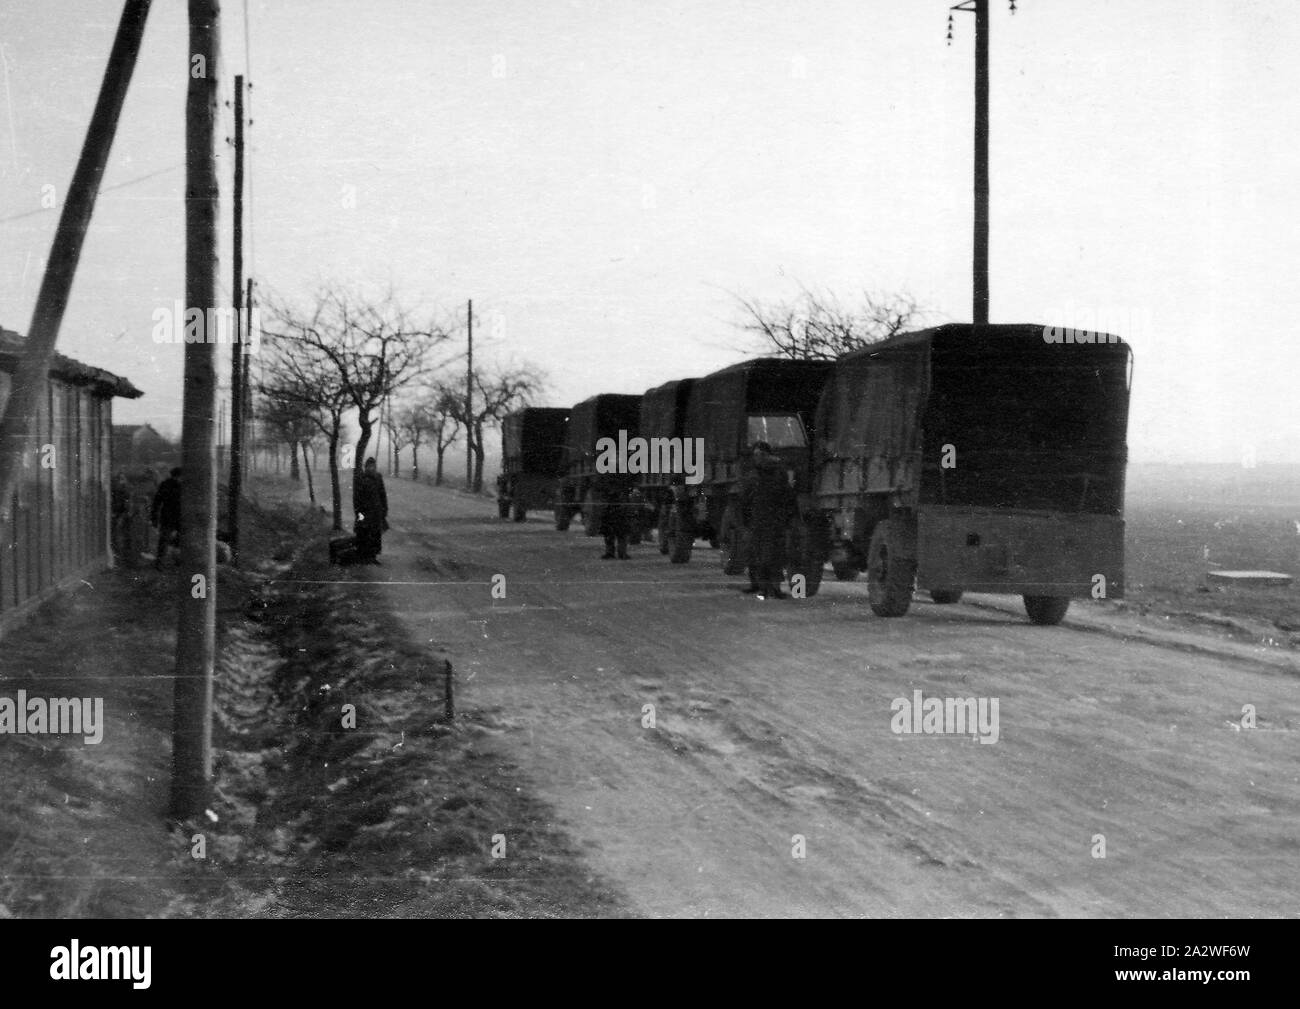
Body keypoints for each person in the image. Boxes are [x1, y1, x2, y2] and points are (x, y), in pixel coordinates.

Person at [739, 441, 795, 599]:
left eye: (761, 455)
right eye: (756, 455)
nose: (758, 458)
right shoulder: (753, 475)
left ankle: (771, 588)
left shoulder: (777, 473)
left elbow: (787, 496)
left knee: (772, 556)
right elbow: (744, 501)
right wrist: (746, 523)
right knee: (759, 556)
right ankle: (763, 587)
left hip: (773, 521)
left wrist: (787, 518)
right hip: (760, 521)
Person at [353, 457, 389, 565]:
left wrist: (384, 509)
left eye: (373, 466)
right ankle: (364, 557)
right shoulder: (361, 478)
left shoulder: (378, 477)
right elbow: (357, 497)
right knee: (364, 533)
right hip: (364, 511)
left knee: (375, 535)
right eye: (369, 466)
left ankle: (373, 557)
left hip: (376, 511)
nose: (371, 468)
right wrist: (358, 512)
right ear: (366, 467)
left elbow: (382, 494)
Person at [150, 467, 182, 569]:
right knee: (170, 540)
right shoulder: (181, 486)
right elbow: (157, 502)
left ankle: (162, 562)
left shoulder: (165, 484)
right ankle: (167, 562)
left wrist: (154, 517)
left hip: (169, 516)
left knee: (166, 540)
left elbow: (156, 502)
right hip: (176, 517)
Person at [595, 475, 632, 560]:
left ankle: (611, 552)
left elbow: (599, 487)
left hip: (610, 506)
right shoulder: (623, 475)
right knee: (621, 532)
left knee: (610, 532)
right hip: (618, 506)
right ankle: (621, 553)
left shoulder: (606, 475)